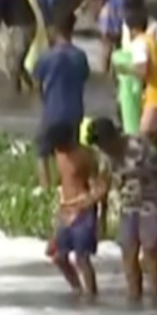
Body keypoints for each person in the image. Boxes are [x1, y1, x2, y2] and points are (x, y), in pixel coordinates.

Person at [88, 117, 157, 301]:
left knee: (151, 249)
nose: (103, 148)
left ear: (113, 137)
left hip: (153, 201)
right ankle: (134, 297)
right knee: (128, 251)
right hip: (128, 205)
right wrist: (102, 216)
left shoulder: (138, 144)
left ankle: (156, 296)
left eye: (104, 143)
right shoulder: (105, 155)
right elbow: (104, 184)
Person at [33, 12, 91, 190]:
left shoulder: (46, 57)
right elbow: (84, 78)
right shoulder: (80, 56)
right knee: (70, 150)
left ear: (54, 30)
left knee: (42, 151)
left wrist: (43, 100)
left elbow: (36, 84)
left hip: (53, 111)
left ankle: (46, 188)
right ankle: (70, 185)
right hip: (75, 112)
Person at [46, 122, 102, 297]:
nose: (59, 149)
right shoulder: (57, 153)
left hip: (83, 210)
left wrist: (95, 208)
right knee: (58, 257)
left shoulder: (85, 155)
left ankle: (91, 296)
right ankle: (77, 289)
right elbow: (62, 180)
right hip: (65, 209)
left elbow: (97, 187)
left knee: (82, 258)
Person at [117, 0, 157, 144]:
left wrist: (123, 68)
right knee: (149, 144)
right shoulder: (149, 40)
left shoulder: (143, 40)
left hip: (152, 94)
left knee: (143, 144)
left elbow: (143, 70)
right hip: (156, 93)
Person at [77, 0, 130, 74]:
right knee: (119, 43)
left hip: (112, 6)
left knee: (107, 42)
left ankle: (105, 75)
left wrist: (85, 2)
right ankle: (119, 74)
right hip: (125, 4)